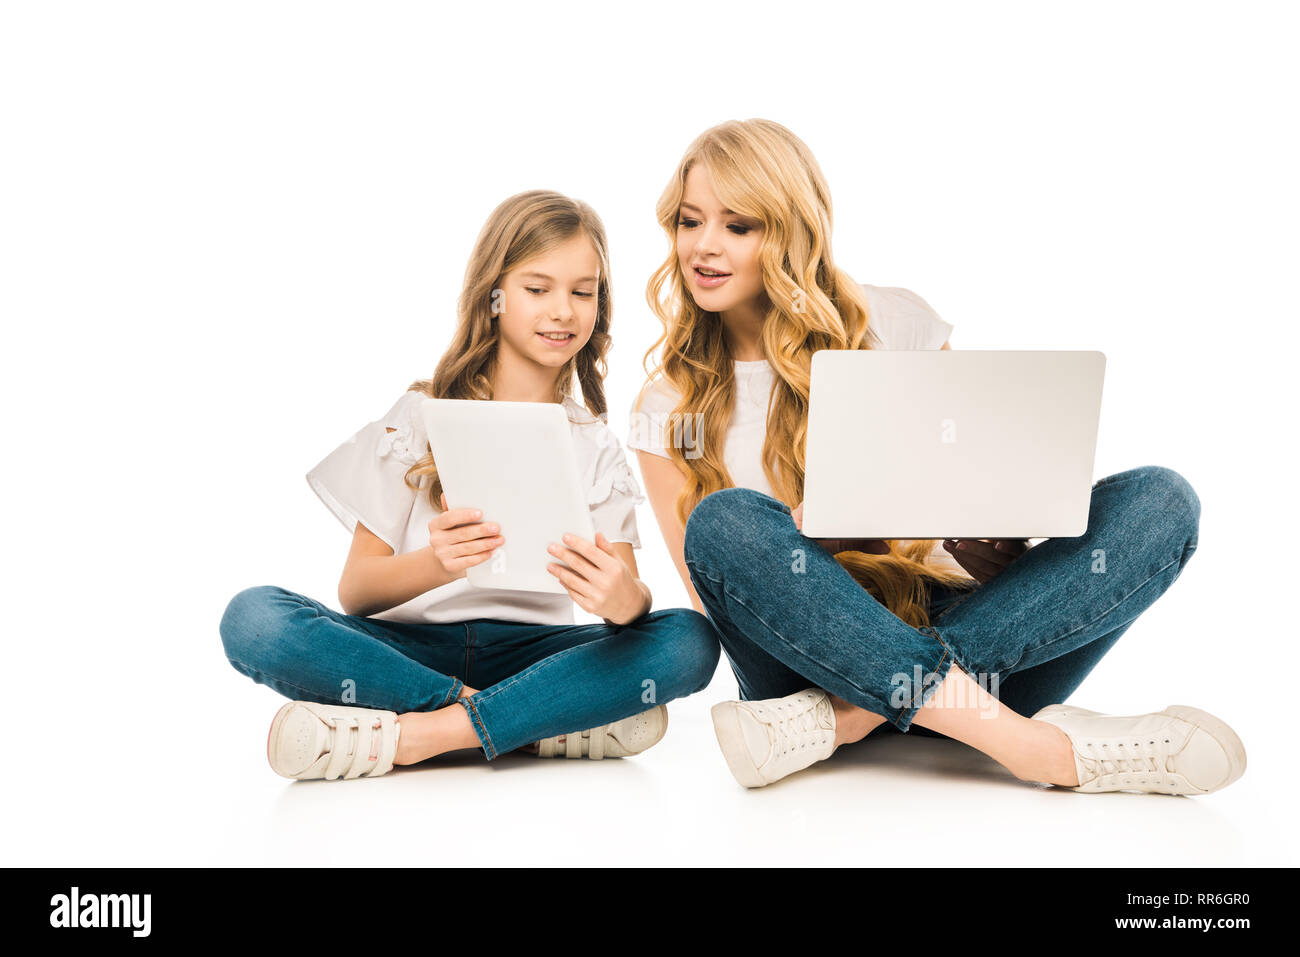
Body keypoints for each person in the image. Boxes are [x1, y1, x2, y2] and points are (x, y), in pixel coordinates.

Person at [628, 118, 1245, 795]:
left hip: (949, 640)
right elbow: (717, 591)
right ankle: (1038, 750)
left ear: (788, 231)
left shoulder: (893, 322)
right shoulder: (666, 405)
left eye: (737, 226)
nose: (704, 247)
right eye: (690, 222)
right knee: (727, 524)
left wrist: (1003, 546)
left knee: (1161, 499)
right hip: (803, 663)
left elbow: (968, 476)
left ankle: (849, 721)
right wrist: (815, 545)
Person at [219, 190, 720, 781]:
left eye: (582, 292)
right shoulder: (419, 414)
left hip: (536, 653)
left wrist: (621, 599)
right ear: (495, 296)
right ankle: (529, 721)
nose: (562, 311)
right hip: (409, 650)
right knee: (252, 618)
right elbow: (356, 592)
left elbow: (629, 605)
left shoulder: (595, 444)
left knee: (689, 639)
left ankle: (424, 734)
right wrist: (439, 563)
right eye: (538, 289)